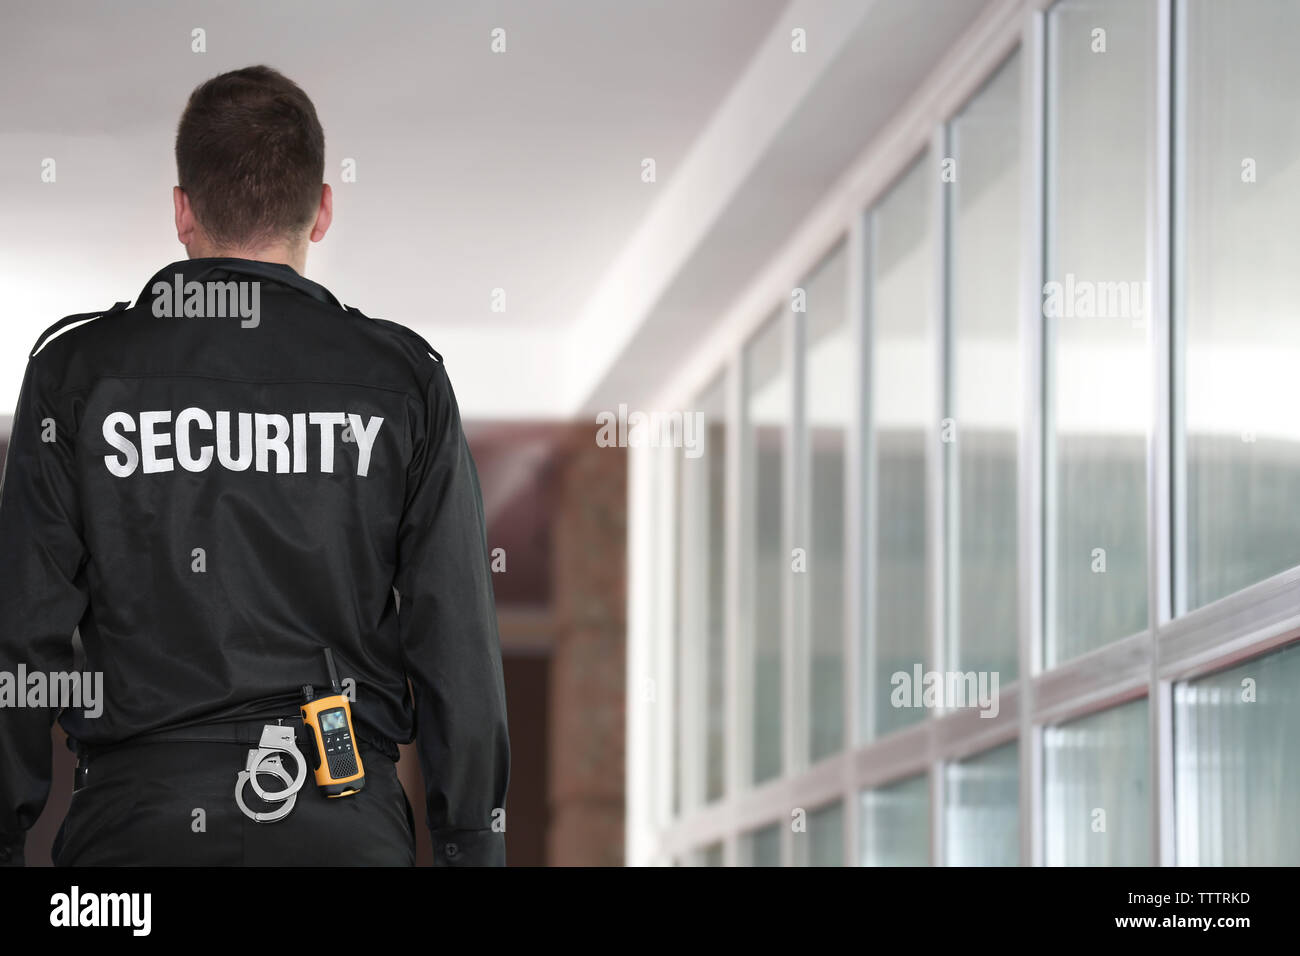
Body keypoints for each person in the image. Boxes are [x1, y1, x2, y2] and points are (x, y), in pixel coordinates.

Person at [0, 65, 509, 866]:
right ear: (322, 210)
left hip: (135, 833)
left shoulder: (78, 375)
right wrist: (469, 845)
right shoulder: (403, 383)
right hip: (343, 823)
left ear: (182, 210)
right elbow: (456, 643)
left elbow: (20, 638)